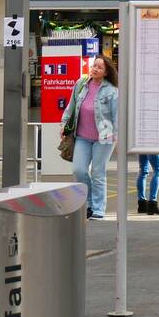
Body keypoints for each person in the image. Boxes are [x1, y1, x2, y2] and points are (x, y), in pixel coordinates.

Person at [61, 55, 119, 219]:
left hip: (104, 138)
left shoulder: (112, 91)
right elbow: (71, 107)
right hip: (82, 137)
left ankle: (98, 209)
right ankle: (87, 205)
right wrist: (64, 125)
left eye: (99, 67)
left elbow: (117, 116)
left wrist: (117, 136)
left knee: (98, 172)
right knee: (78, 170)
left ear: (106, 73)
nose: (95, 69)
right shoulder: (81, 84)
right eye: (94, 66)